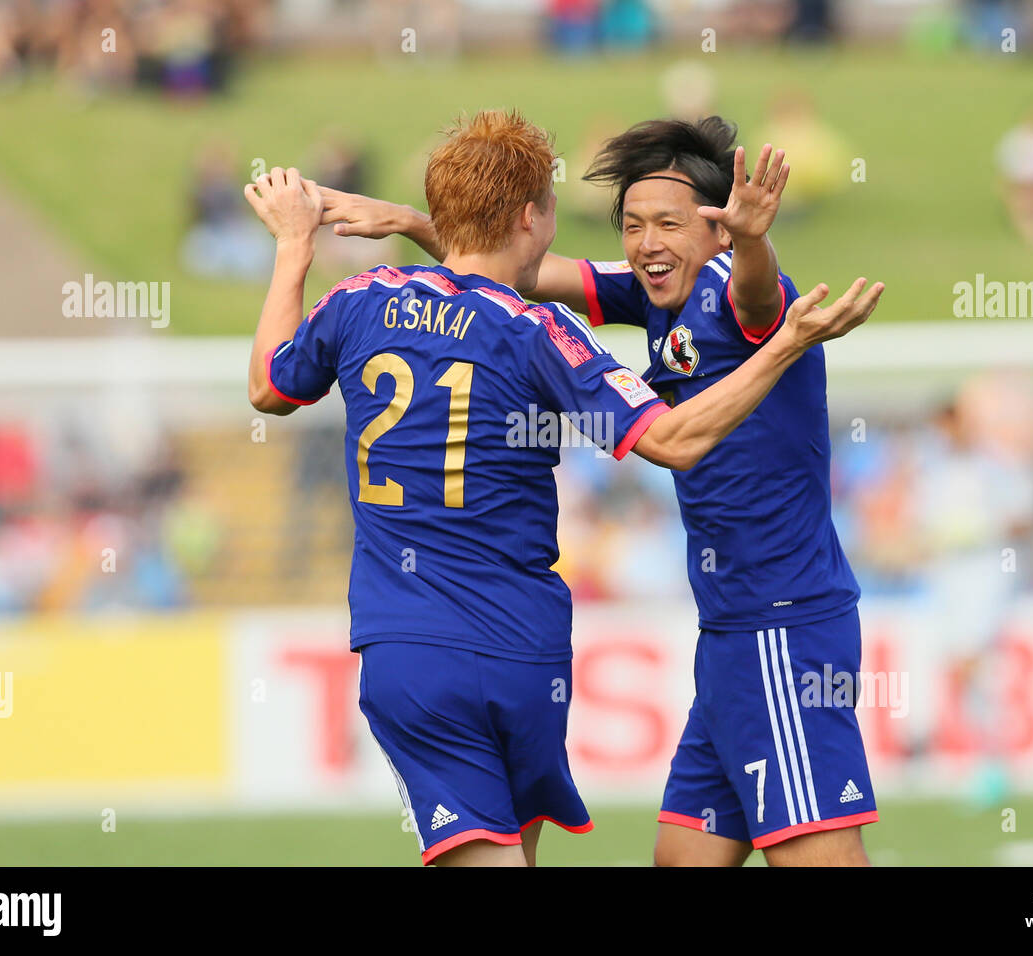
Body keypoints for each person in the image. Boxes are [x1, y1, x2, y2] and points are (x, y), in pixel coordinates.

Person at [244, 110, 882, 867]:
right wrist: (425, 221)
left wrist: (754, 246)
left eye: (671, 224)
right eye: (633, 224)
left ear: (716, 231)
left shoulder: (746, 294)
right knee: (682, 858)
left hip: (786, 622)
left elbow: (754, 304)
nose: (647, 242)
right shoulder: (642, 293)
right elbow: (504, 266)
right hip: (723, 631)